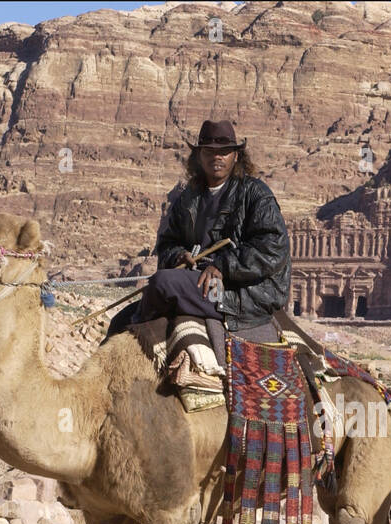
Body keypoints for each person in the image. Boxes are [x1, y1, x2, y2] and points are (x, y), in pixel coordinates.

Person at [106, 119, 291, 397]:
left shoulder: (255, 194)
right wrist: (178, 255)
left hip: (242, 291)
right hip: (197, 280)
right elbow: (167, 243)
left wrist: (222, 266)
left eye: (224, 151)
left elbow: (272, 249)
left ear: (236, 156)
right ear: (198, 156)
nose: (216, 157)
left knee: (163, 284)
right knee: (119, 320)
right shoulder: (189, 197)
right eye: (208, 151)